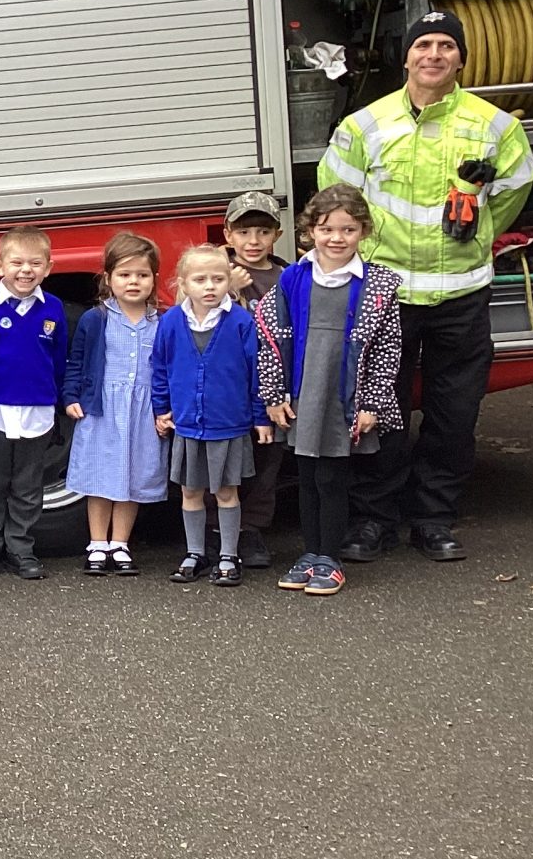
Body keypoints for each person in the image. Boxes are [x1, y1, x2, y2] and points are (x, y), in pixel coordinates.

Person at [318, 7, 533, 562]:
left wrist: (478, 233)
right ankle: (374, 519)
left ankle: (434, 519)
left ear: (461, 58)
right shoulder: (364, 126)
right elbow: (336, 198)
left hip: (461, 294)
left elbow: (514, 189)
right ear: (406, 56)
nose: (433, 55)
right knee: (379, 411)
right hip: (386, 294)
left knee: (453, 414)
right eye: (423, 45)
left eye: (445, 45)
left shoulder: (495, 127)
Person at [256, 185, 406, 598]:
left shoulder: (378, 286)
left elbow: (388, 349)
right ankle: (310, 554)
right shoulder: (292, 278)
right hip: (304, 393)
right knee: (306, 477)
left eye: (348, 229)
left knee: (332, 478)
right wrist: (274, 394)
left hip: (343, 398)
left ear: (364, 232)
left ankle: (330, 559)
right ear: (309, 232)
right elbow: (270, 338)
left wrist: (372, 402)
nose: (336, 238)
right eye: (326, 229)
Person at [152, 246, 272, 587]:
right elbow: (159, 368)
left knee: (226, 492)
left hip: (229, 425)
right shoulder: (171, 322)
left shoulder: (241, 321)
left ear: (228, 282)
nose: (209, 286)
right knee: (191, 492)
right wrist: (161, 408)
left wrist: (260, 416)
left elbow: (256, 372)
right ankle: (195, 552)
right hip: (188, 425)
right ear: (183, 284)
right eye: (200, 279)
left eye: (218, 279)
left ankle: (229, 555)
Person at [62, 233, 166, 577]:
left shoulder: (161, 322)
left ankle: (120, 543)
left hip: (143, 412)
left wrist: (165, 408)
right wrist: (71, 397)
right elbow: (76, 361)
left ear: (154, 279)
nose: (133, 282)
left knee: (133, 477)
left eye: (142, 275)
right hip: (104, 409)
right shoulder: (97, 318)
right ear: (108, 278)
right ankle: (97, 543)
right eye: (124, 274)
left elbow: (168, 368)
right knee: (101, 476)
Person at [0, 227, 68, 582]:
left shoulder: (53, 308)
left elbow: (59, 359)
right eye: (17, 263)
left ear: (48, 267)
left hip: (37, 411)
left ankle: (21, 550)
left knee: (28, 487)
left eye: (35, 263)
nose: (26, 270)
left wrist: (58, 399)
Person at [223, 193, 292, 568]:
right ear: (228, 234)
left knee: (266, 460)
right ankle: (216, 529)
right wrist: (228, 287)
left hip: (272, 388)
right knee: (225, 459)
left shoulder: (287, 277)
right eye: (244, 232)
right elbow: (190, 312)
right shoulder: (215, 271)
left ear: (277, 235)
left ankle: (251, 529)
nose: (253, 241)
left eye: (263, 232)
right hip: (228, 387)